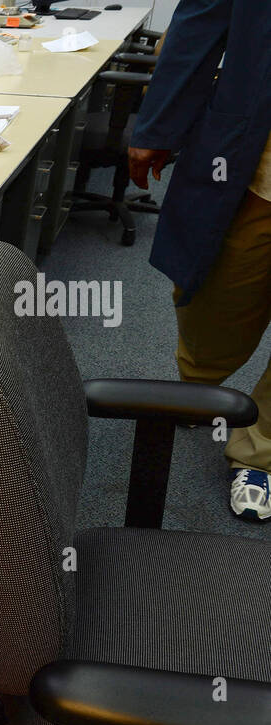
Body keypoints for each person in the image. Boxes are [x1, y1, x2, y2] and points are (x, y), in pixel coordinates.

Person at [128, 0, 271, 522]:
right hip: (254, 155)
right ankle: (201, 383)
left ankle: (260, 451)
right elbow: (199, 24)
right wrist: (158, 127)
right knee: (215, 299)